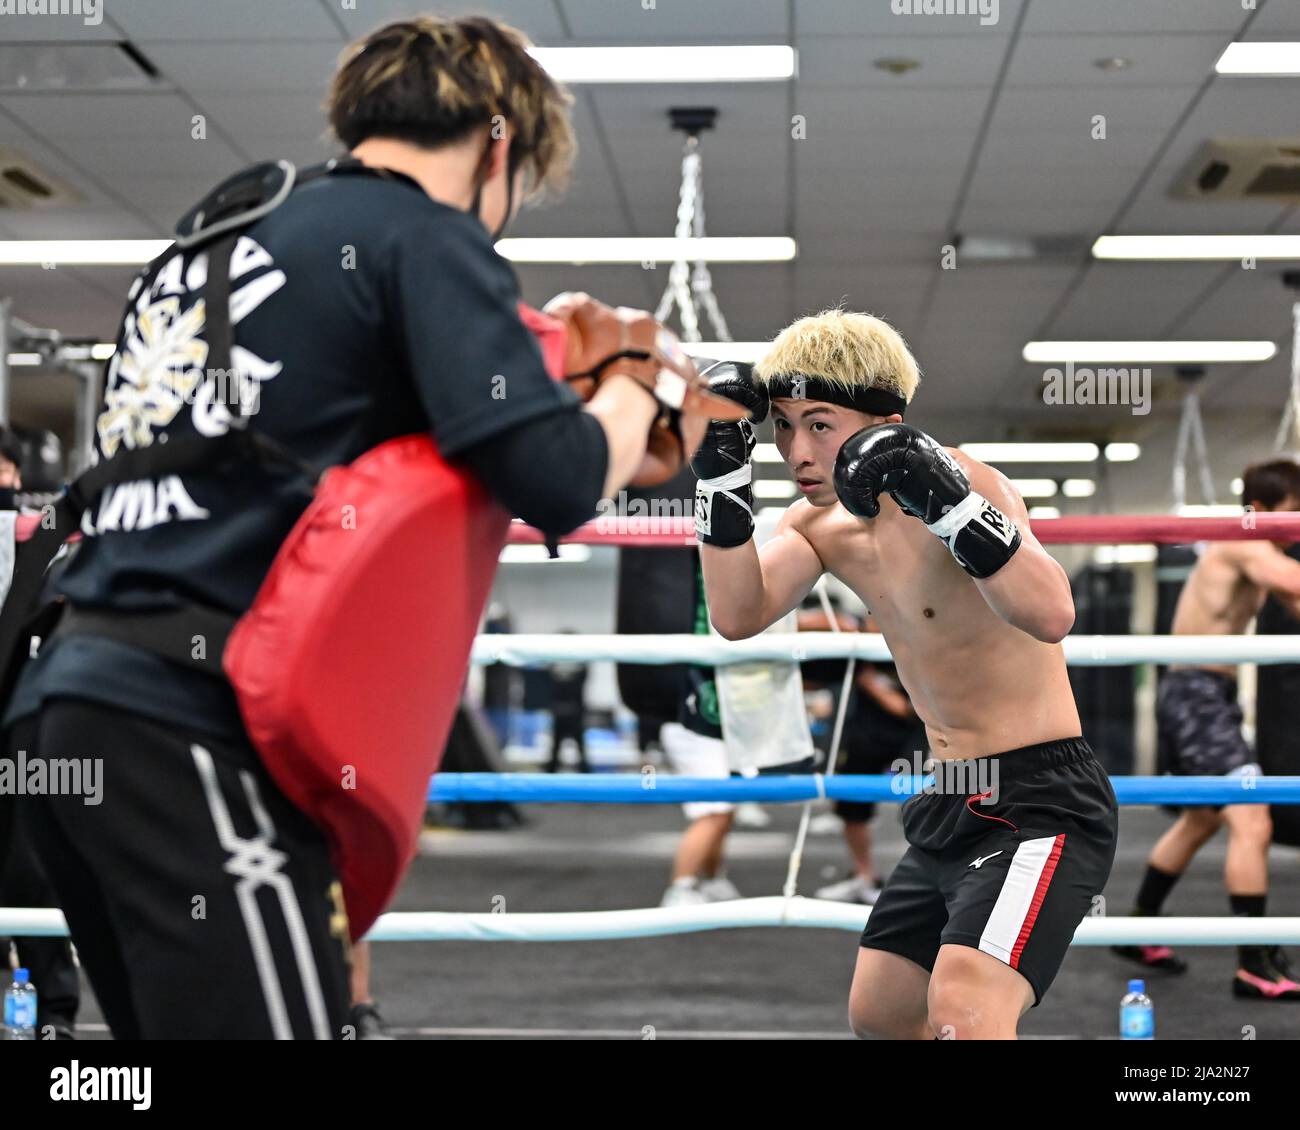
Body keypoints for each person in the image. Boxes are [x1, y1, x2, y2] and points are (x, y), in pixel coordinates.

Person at [0, 15, 696, 1040]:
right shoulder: (422, 233)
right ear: (499, 143)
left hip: (66, 710)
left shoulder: (213, 231)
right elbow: (554, 478)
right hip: (192, 731)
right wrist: (643, 386)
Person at [693, 309, 1118, 1039]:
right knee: (884, 1016)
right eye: (783, 427)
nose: (796, 450)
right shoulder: (814, 525)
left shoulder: (965, 480)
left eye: (819, 425)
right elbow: (737, 612)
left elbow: (1051, 612)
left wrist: (950, 504)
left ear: (883, 421)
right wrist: (719, 481)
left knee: (966, 1013)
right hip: (949, 794)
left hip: (1041, 802)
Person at [1114, 459, 1300, 999]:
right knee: (1252, 817)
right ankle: (1254, 962)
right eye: (1293, 514)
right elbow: (1293, 582)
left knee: (1200, 818)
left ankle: (1139, 927)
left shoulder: (1263, 552)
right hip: (1196, 696)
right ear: (1259, 511)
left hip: (1205, 695)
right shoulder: (1244, 542)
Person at [812, 612, 922, 906]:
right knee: (852, 810)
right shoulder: (857, 643)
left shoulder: (917, 638)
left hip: (913, 738)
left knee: (922, 809)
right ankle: (864, 876)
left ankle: (926, 884)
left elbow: (908, 708)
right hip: (864, 738)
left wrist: (870, 682)